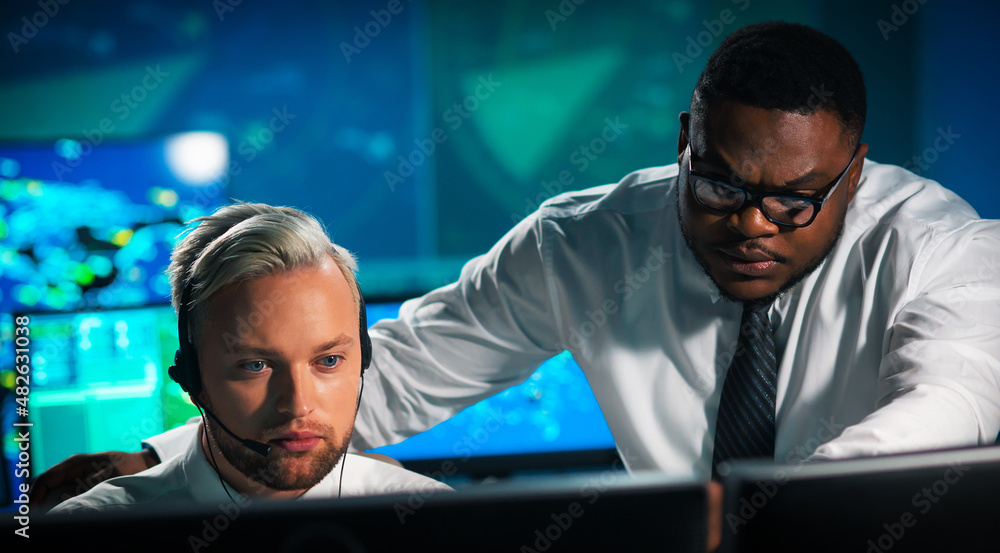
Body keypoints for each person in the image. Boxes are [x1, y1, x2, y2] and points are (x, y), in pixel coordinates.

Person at [32, 21, 1000, 504]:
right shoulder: (587, 243)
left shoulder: (941, 252)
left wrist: (766, 521)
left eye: (793, 200)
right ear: (681, 143)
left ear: (854, 174)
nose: (752, 223)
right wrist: (165, 472)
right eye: (717, 184)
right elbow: (385, 376)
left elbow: (942, 414)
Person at [46, 203, 450, 514]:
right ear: (190, 377)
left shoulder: (435, 523)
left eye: (328, 360)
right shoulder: (89, 533)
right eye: (255, 365)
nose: (298, 405)